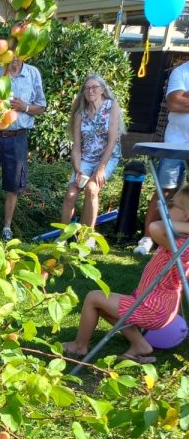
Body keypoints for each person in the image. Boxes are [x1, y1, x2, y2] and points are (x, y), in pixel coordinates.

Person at [62, 184, 189, 364]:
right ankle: (140, 345)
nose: (167, 207)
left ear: (186, 216)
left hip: (152, 308)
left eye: (172, 205)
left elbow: (155, 227)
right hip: (157, 305)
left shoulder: (182, 245)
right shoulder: (180, 241)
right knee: (102, 306)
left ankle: (79, 346)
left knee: (93, 297)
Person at [0, 55, 46, 240]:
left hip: (17, 137)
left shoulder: (32, 73)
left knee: (13, 185)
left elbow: (41, 106)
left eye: (18, 54)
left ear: (24, 54)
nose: (14, 58)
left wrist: (24, 107)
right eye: (11, 53)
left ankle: (7, 228)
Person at [136, 59, 189, 256]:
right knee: (164, 190)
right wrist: (180, 99)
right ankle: (148, 238)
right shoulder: (181, 72)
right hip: (175, 144)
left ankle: (181, 241)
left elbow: (182, 100)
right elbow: (174, 103)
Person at [60, 74, 122, 228]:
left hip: (107, 157)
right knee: (71, 194)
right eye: (86, 88)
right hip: (86, 158)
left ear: (102, 90)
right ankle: (62, 236)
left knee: (91, 189)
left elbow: (113, 140)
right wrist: (77, 170)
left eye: (94, 87)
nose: (90, 91)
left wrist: (101, 168)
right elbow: (76, 147)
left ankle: (87, 236)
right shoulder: (80, 114)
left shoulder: (111, 106)